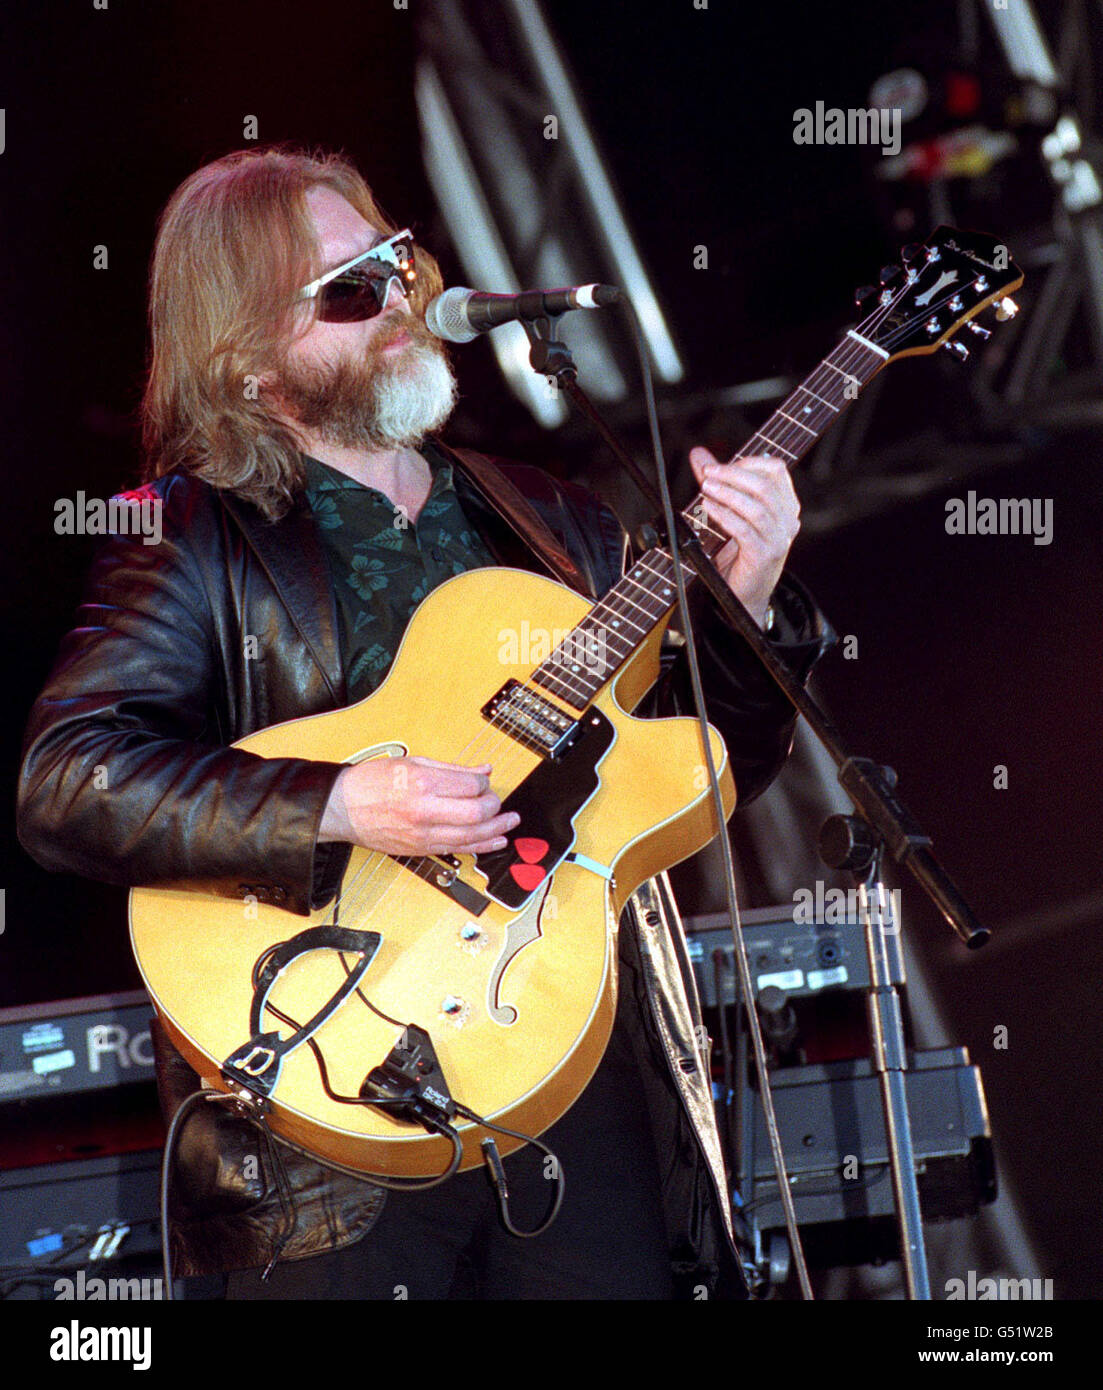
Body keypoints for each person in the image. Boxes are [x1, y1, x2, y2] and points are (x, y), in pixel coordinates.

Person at [18, 146, 830, 1300]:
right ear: (246, 360)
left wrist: (744, 608)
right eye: (349, 291)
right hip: (324, 1099)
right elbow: (68, 780)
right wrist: (340, 802)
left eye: (396, 263)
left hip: (569, 1069)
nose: (398, 300)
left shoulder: (549, 514)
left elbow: (691, 773)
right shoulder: (185, 533)